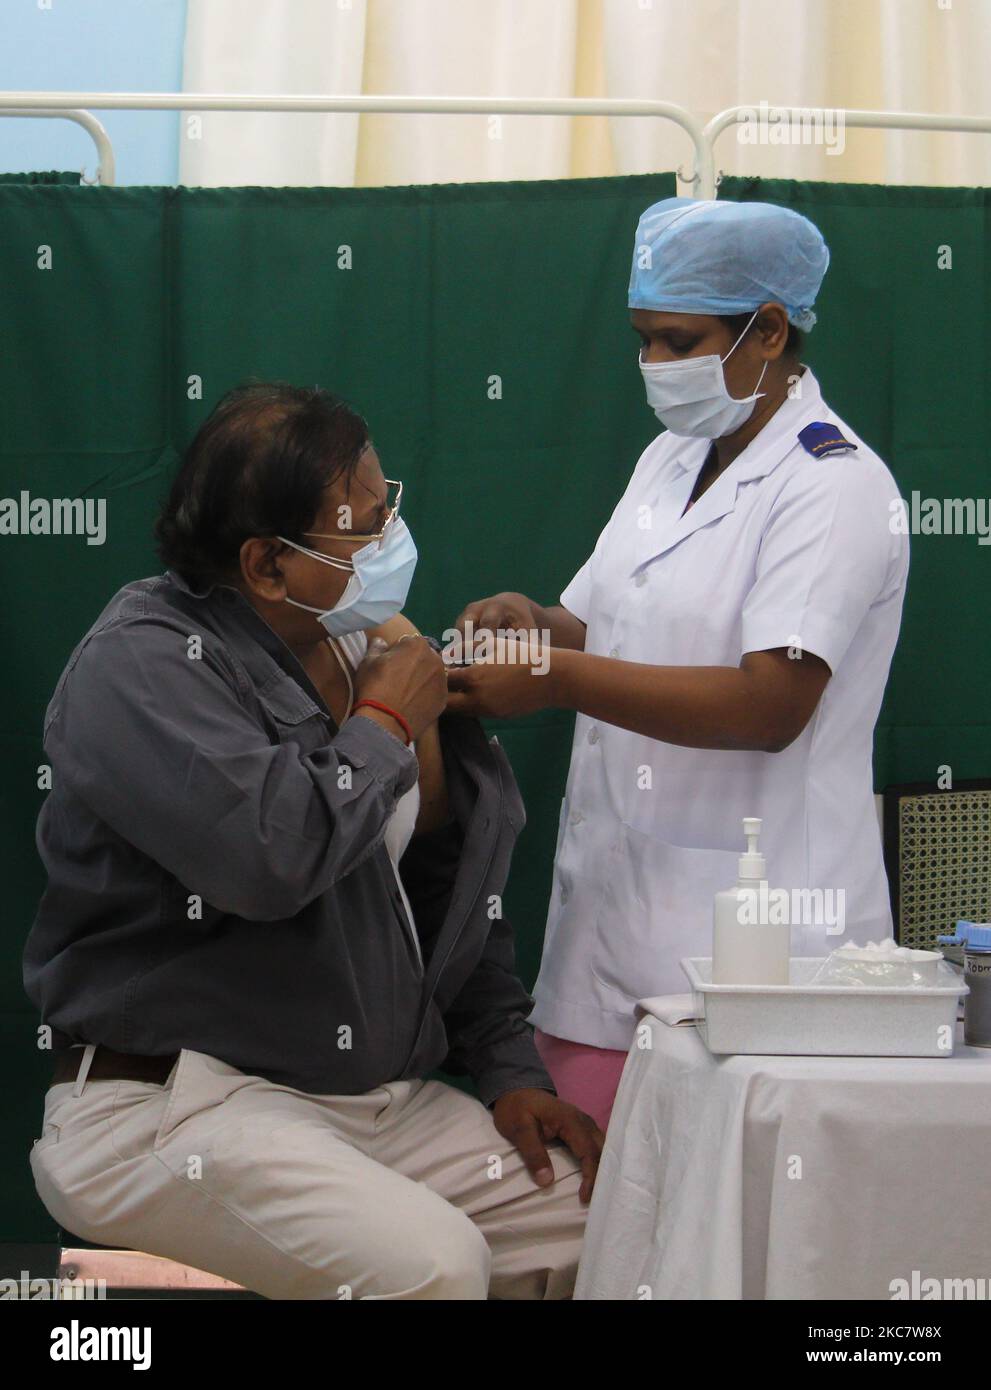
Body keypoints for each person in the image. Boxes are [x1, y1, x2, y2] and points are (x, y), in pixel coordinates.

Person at [24, 382, 602, 1300]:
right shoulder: (141, 662)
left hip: (370, 1103)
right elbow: (270, 860)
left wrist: (507, 1072)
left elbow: (453, 894)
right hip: (175, 1108)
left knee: (603, 1226)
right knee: (434, 1267)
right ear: (266, 564)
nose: (389, 542)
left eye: (389, 510)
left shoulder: (360, 642)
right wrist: (380, 722)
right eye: (362, 529)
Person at [446, 197, 910, 1132]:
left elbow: (768, 704)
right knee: (594, 1243)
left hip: (760, 960)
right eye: (641, 341)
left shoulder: (833, 484)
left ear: (769, 330)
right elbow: (595, 623)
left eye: (676, 339)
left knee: (726, 1254)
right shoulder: (669, 457)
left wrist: (556, 678)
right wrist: (529, 624)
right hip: (610, 939)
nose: (653, 365)